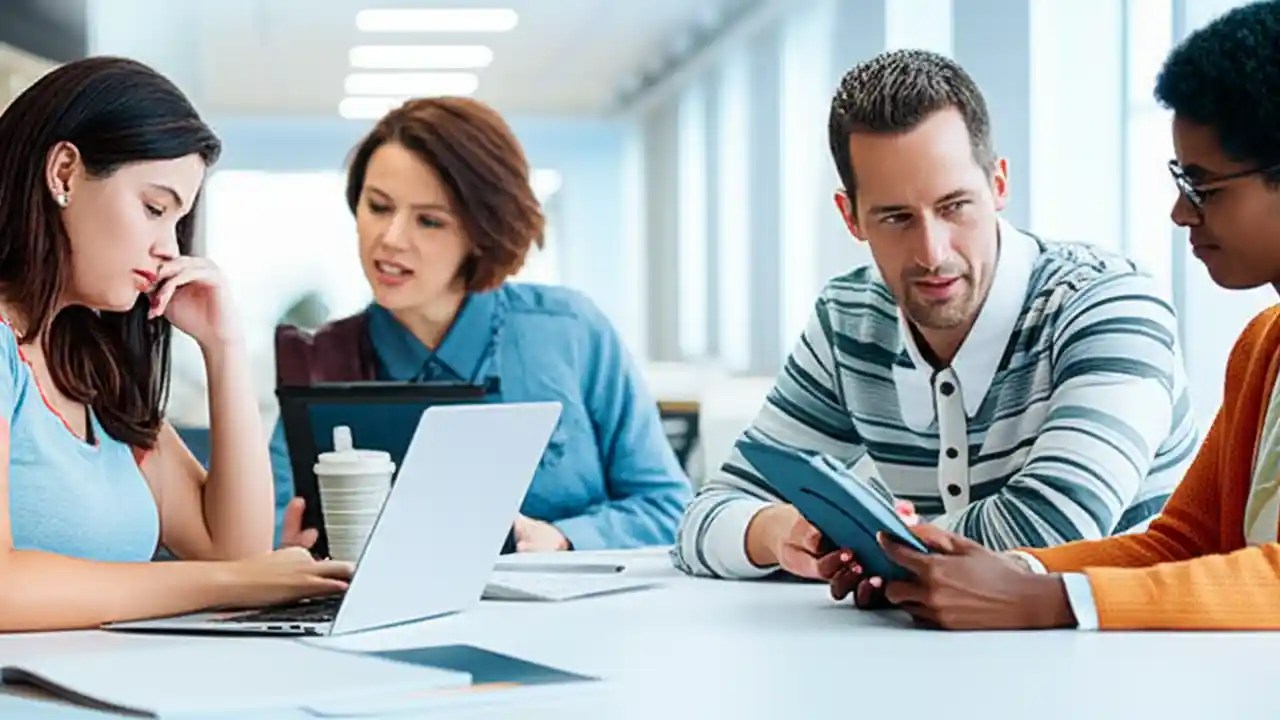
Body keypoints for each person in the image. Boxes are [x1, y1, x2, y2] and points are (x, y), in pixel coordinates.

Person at [672, 49, 1200, 595]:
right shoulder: (850, 319)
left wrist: (863, 541)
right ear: (851, 216)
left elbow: (1049, 528)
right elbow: (702, 518)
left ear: (998, 184)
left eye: (954, 206)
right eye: (896, 217)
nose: (932, 252)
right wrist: (780, 530)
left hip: (1130, 657)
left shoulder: (1111, 304)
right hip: (948, 656)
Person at [861, 0, 1280, 632]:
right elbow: (1182, 541)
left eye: (1205, 188)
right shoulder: (1263, 346)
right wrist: (996, 572)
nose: (1180, 213)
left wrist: (1050, 601)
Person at [0, 57, 350, 633]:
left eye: (177, 223)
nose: (169, 247)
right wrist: (228, 583)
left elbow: (234, 551)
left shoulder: (93, 373)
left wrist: (224, 345)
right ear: (63, 173)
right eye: (154, 209)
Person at [270, 97, 691, 552]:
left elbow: (668, 507)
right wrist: (284, 550)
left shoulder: (569, 331)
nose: (390, 239)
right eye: (378, 207)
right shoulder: (323, 359)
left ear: (480, 233)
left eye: (429, 221)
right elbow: (272, 524)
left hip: (569, 617)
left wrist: (563, 538)